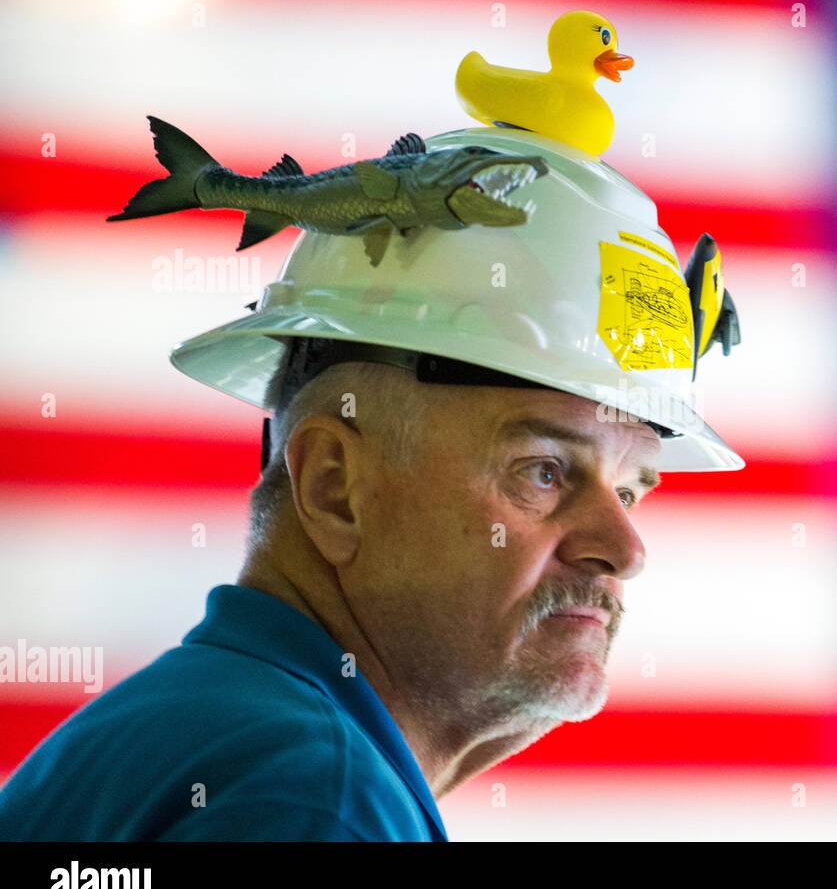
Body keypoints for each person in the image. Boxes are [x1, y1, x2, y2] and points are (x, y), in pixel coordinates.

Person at [0, 124, 742, 841]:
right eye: (543, 472)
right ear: (333, 487)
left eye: (630, 491)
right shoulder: (316, 799)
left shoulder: (213, 739)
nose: (624, 547)